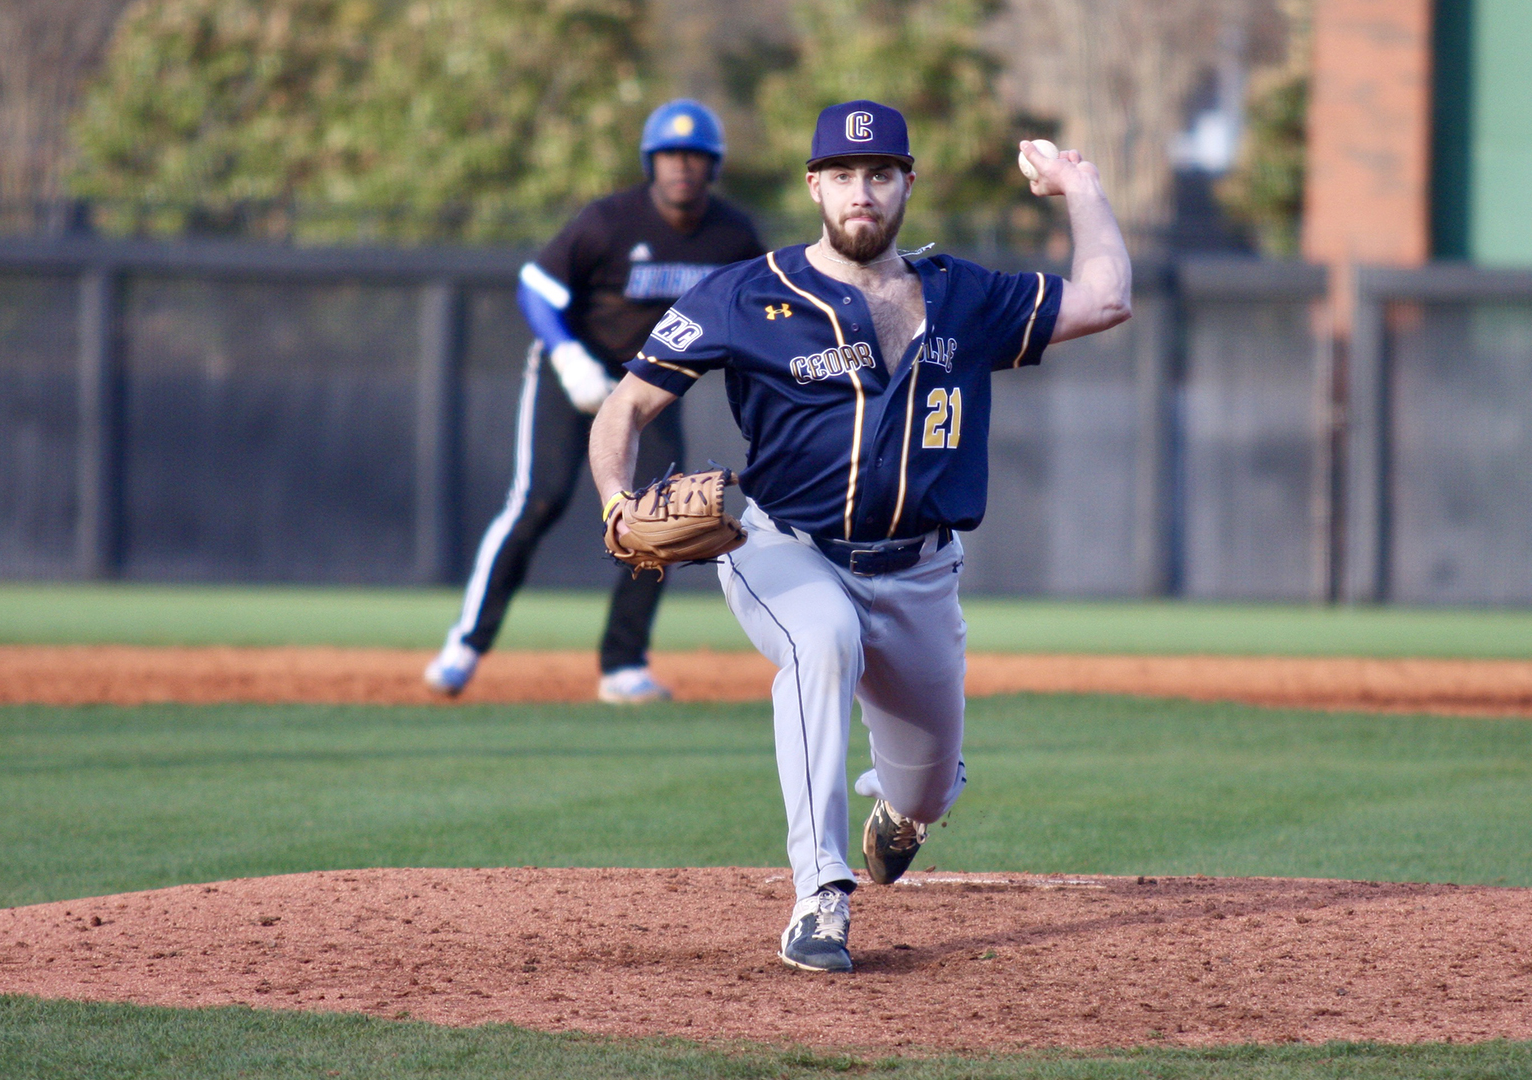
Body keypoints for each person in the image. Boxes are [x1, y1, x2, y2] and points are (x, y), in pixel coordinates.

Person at [588, 100, 1132, 971]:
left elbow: (1107, 299)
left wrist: (1081, 187)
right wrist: (619, 499)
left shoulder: (965, 298)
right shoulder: (744, 293)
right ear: (814, 187)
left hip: (920, 570)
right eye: (841, 175)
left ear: (907, 183)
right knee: (822, 639)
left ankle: (901, 815)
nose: (861, 193)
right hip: (783, 545)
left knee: (926, 782)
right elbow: (628, 406)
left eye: (879, 174)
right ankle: (819, 900)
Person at [424, 99, 765, 703]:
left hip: (655, 384)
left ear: (712, 167)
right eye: (669, 156)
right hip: (575, 374)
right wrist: (566, 354)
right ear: (649, 162)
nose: (682, 167)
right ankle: (466, 644)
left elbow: (758, 310)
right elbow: (536, 286)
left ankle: (622, 664)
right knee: (539, 503)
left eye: (695, 157)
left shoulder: (732, 235)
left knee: (661, 517)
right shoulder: (610, 221)